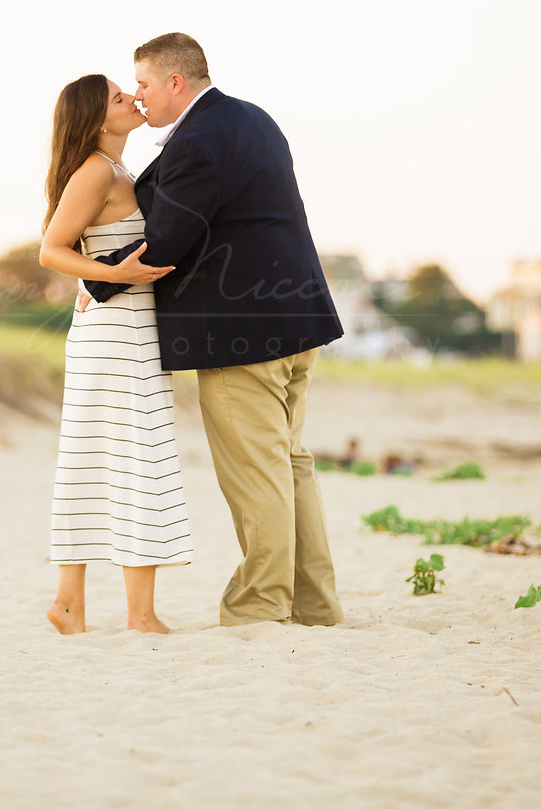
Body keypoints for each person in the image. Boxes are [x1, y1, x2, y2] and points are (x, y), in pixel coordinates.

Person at [83, 33, 345, 627]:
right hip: (295, 322)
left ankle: (260, 607)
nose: (139, 97)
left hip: (241, 335)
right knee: (289, 465)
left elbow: (169, 240)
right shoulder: (252, 119)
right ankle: (315, 605)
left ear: (176, 82)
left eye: (144, 84)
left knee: (257, 474)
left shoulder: (200, 140)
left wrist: (93, 280)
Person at [36, 73, 189, 635]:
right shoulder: (98, 170)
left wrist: (104, 275)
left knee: (101, 462)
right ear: (99, 120)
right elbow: (52, 250)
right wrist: (109, 274)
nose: (134, 99)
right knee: (134, 461)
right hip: (116, 334)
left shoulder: (120, 169)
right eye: (120, 99)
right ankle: (138, 615)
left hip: (126, 329)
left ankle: (70, 604)